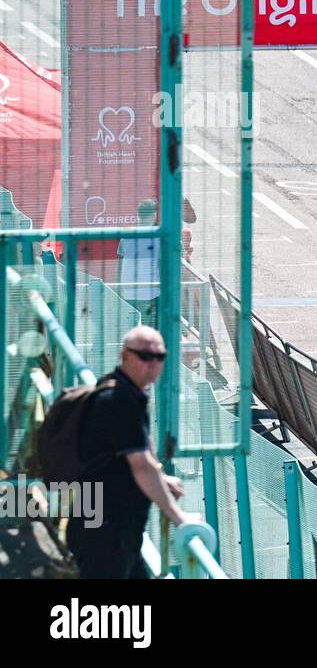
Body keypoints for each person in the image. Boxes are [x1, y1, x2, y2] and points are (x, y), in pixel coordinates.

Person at [69, 327, 199, 578]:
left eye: (160, 357)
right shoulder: (120, 400)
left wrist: (162, 478)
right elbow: (141, 465)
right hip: (106, 530)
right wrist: (179, 518)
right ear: (126, 355)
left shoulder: (120, 388)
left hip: (110, 525)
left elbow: (139, 455)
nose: (153, 364)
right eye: (145, 356)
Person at [119, 199, 160, 328]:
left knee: (130, 329)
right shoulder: (158, 236)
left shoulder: (126, 235)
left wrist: (120, 287)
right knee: (147, 330)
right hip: (148, 293)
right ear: (154, 215)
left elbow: (120, 263)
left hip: (127, 291)